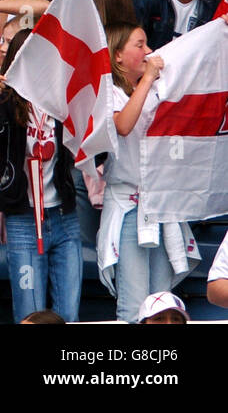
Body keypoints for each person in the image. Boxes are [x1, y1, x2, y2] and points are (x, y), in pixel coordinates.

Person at [0, 31, 82, 322]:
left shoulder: (62, 100)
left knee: (68, 313)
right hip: (23, 218)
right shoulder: (6, 102)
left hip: (63, 216)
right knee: (30, 314)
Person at [98, 22, 202, 322]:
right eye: (140, 45)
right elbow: (122, 125)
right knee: (134, 305)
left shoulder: (157, 89)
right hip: (129, 207)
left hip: (161, 203)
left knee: (163, 304)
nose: (149, 52)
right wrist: (147, 80)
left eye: (147, 45)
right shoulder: (110, 90)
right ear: (118, 56)